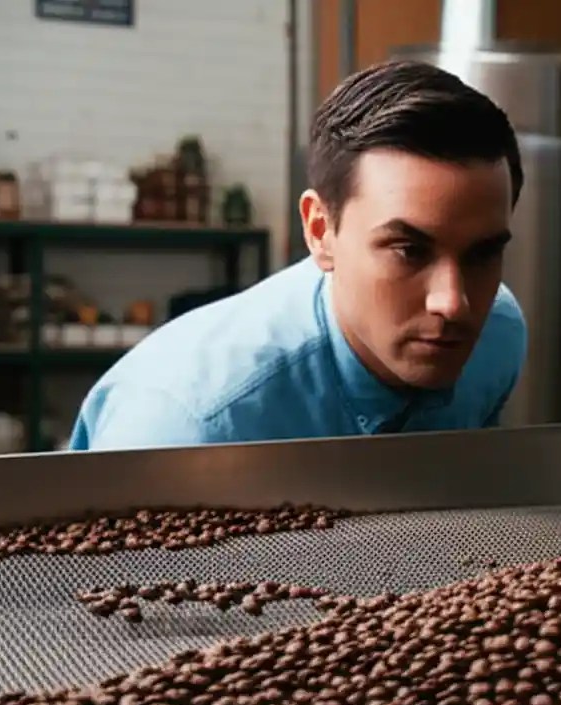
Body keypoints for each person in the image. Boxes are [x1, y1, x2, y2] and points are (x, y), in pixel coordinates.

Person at [67, 60, 528, 451]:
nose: (453, 304)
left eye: (481, 255)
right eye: (408, 250)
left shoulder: (497, 336)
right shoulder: (187, 426)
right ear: (320, 231)